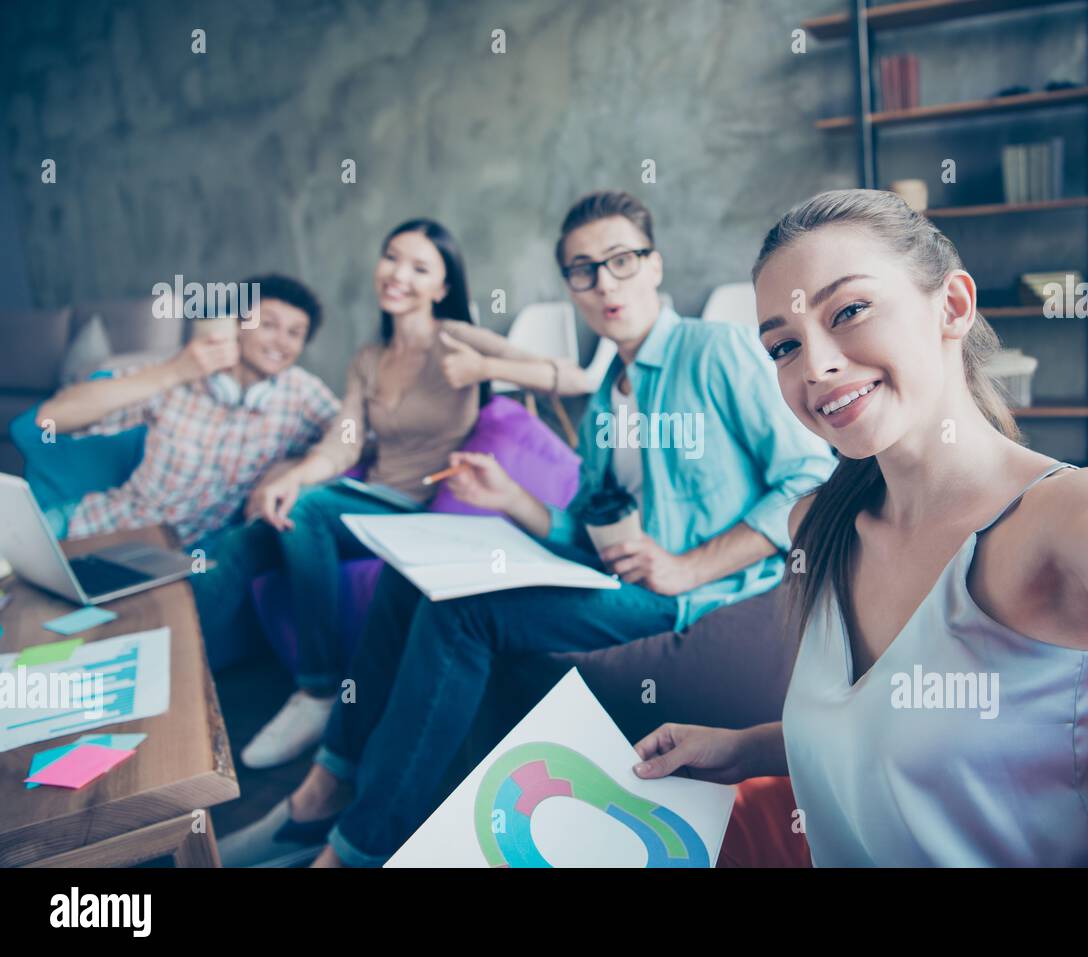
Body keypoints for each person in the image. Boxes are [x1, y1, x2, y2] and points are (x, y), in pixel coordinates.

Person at [632, 188, 1088, 867]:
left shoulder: (1068, 517)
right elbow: (900, 731)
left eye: (850, 310)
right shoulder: (821, 526)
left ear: (952, 305)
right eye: (783, 346)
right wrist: (744, 747)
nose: (817, 366)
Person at [219, 189, 836, 867]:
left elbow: (810, 479)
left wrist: (690, 565)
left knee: (464, 615)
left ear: (654, 266)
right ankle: (327, 784)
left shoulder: (714, 352)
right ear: (570, 286)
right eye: (583, 269)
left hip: (702, 601)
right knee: (407, 581)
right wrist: (509, 498)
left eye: (622, 260)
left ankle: (353, 851)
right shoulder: (607, 396)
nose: (605, 282)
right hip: (620, 581)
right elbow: (589, 531)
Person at [194, 219, 579, 770]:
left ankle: (319, 691)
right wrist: (297, 473)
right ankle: (171, 683)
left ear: (442, 288)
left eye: (419, 267)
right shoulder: (369, 358)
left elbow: (568, 375)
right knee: (248, 537)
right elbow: (345, 442)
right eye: (392, 257)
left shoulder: (457, 338)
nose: (398, 274)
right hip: (364, 498)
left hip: (417, 505)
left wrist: (486, 367)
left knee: (307, 512)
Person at [37, 274, 337, 552]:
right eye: (268, 325)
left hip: (167, 553)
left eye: (295, 333)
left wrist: (291, 469)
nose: (281, 342)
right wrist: (174, 372)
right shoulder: (179, 371)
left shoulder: (301, 392)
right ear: (236, 325)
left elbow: (355, 437)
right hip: (93, 524)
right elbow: (50, 419)